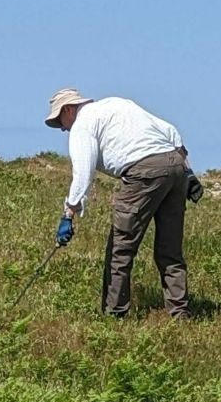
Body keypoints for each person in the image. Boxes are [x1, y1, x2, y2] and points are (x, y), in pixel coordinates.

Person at [44, 88, 199, 318]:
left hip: (143, 173)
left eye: (60, 121)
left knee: (120, 247)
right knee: (169, 248)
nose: (63, 128)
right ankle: (180, 313)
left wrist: (68, 214)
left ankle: (114, 314)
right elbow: (171, 131)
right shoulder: (117, 104)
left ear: (69, 109)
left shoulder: (82, 125)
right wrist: (188, 173)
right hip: (175, 166)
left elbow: (83, 173)